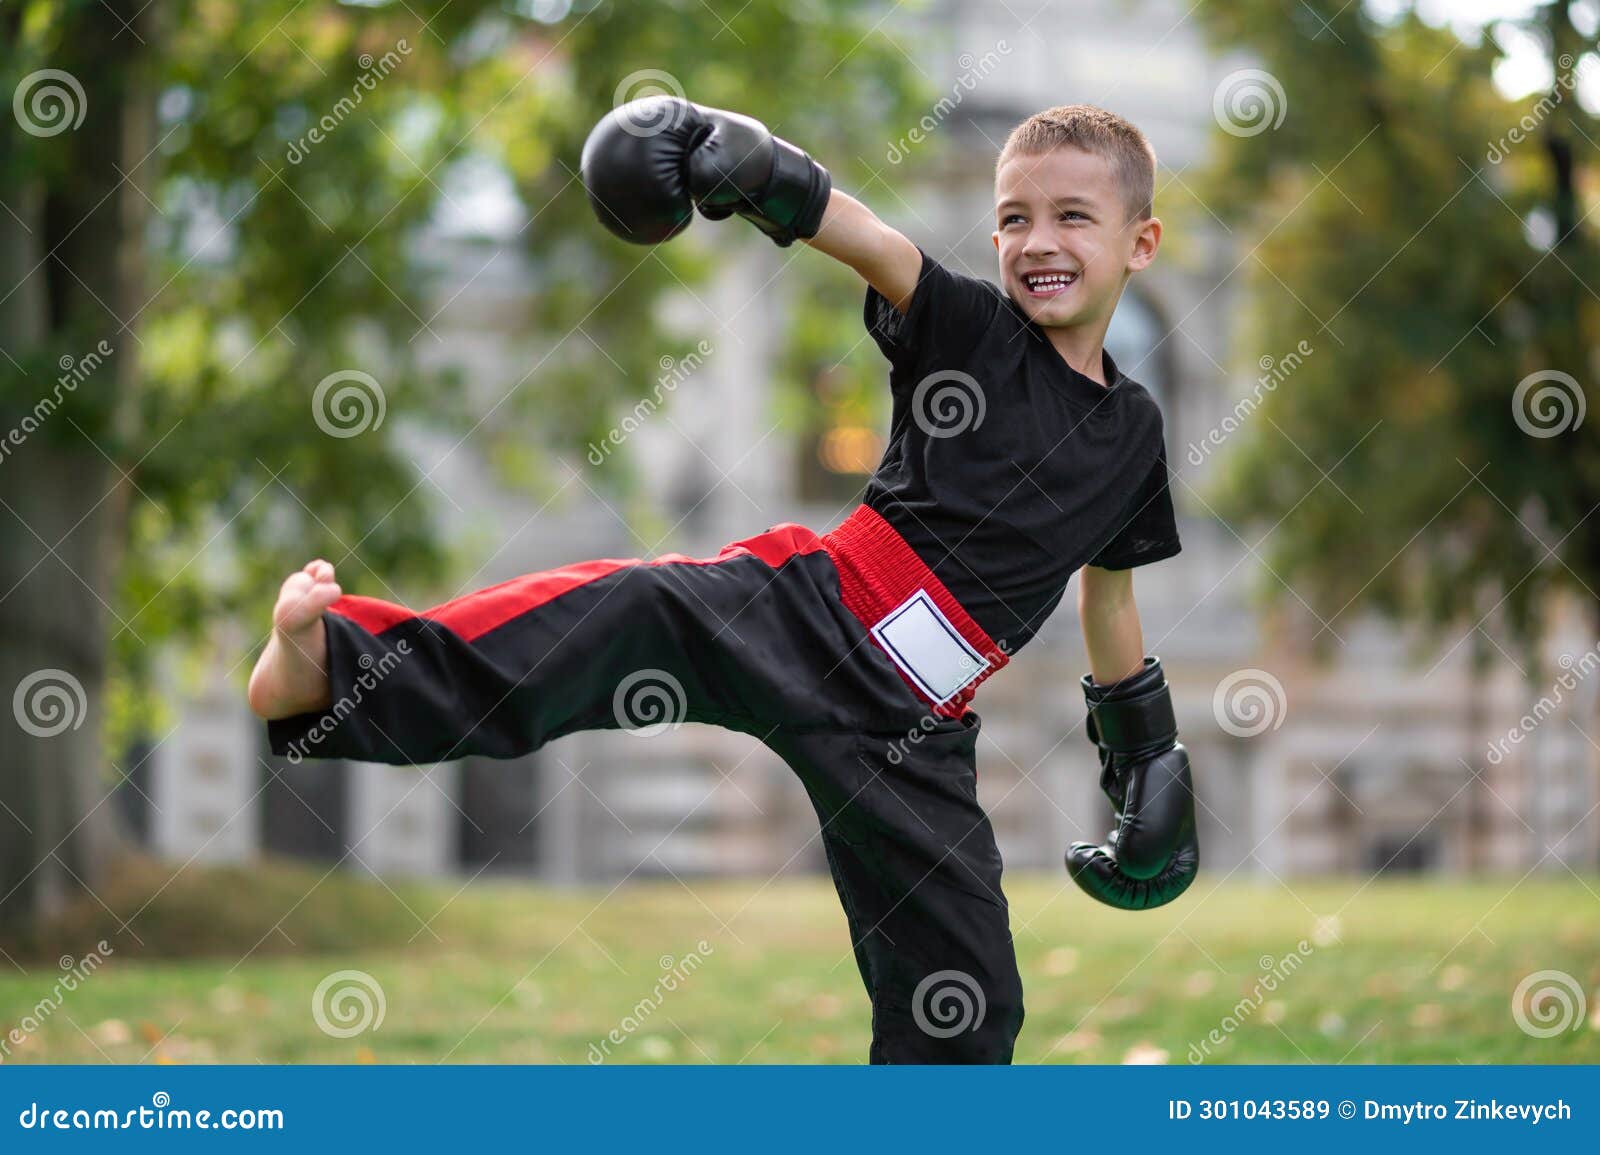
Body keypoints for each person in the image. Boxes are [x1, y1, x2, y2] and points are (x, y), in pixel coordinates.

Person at [248, 97, 1198, 1064]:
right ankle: (330, 668)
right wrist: (747, 159)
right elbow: (874, 243)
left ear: (1141, 241)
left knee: (968, 994)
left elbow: (1107, 593)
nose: (1038, 240)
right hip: (809, 612)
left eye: (1073, 215)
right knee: (633, 608)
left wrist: (1147, 758)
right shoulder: (973, 332)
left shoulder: (1132, 437)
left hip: (914, 732)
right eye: (1013, 218)